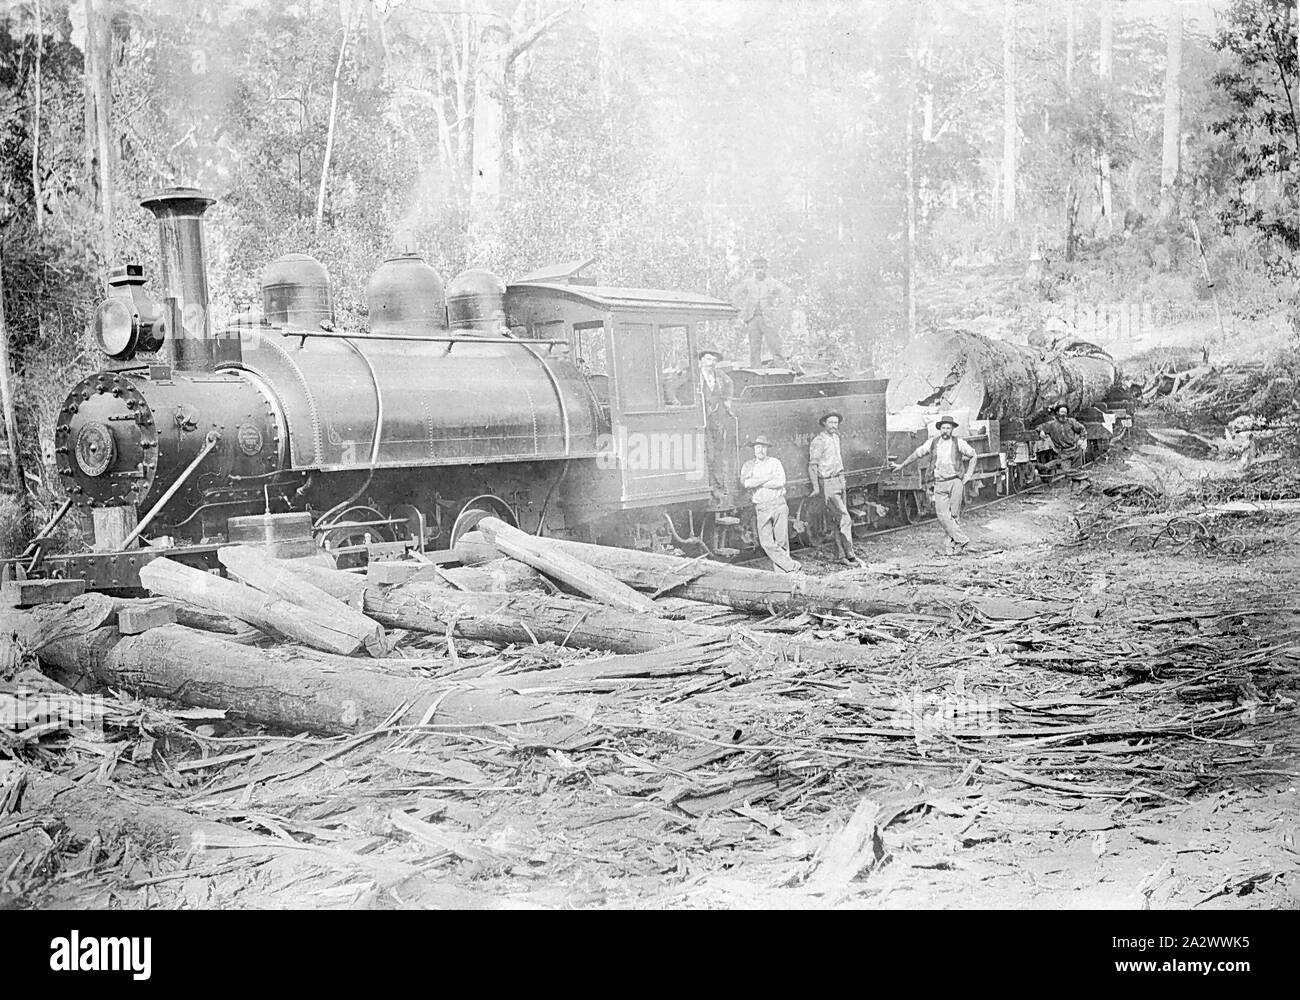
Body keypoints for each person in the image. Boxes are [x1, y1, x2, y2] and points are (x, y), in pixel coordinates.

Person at [892, 415, 978, 555]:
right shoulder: (932, 443)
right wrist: (902, 465)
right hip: (940, 483)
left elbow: (973, 455)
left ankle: (951, 548)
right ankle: (963, 541)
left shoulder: (959, 443)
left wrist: (968, 475)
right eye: (943, 428)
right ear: (940, 429)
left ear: (952, 429)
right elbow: (916, 454)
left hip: (955, 481)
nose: (945, 430)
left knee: (954, 516)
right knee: (942, 515)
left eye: (948, 428)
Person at [740, 435, 801, 574]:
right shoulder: (748, 465)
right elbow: (746, 483)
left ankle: (782, 574)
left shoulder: (775, 462)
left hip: (778, 504)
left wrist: (758, 481)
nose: (760, 450)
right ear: (754, 449)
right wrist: (768, 477)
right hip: (762, 507)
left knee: (782, 542)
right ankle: (791, 566)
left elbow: (780, 482)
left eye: (763, 447)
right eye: (758, 447)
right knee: (766, 543)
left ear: (767, 449)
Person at [807, 412, 861, 566]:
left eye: (836, 422)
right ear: (824, 423)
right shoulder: (819, 441)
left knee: (837, 521)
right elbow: (812, 466)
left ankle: (841, 555)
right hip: (828, 483)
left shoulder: (836, 438)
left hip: (839, 480)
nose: (833, 425)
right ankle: (850, 554)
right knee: (845, 518)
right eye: (830, 422)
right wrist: (817, 488)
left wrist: (842, 479)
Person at [731, 256, 791, 368]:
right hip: (752, 319)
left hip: (768, 320)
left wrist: (779, 314)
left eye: (762, 267)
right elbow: (735, 294)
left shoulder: (773, 283)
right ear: (753, 269)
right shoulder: (748, 283)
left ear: (766, 268)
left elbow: (787, 295)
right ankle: (756, 372)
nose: (759, 270)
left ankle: (782, 371)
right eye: (757, 268)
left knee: (775, 346)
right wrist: (741, 311)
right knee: (754, 348)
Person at [698, 348, 735, 509]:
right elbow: (672, 384)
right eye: (707, 359)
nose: (710, 363)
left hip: (717, 420)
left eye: (713, 360)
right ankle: (710, 486)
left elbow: (730, 384)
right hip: (701, 419)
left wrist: (727, 402)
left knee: (718, 454)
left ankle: (718, 486)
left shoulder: (720, 376)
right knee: (708, 454)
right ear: (701, 361)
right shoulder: (695, 376)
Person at [1039, 405, 1088, 483]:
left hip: (1075, 450)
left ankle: (1078, 488)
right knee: (1067, 471)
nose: (1063, 414)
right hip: (1064, 452)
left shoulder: (1071, 422)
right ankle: (1086, 477)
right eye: (1061, 412)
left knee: (1077, 471)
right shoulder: (1052, 424)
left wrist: (1081, 439)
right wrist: (1041, 431)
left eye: (1065, 412)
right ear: (1057, 413)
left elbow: (1082, 429)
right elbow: (1040, 427)